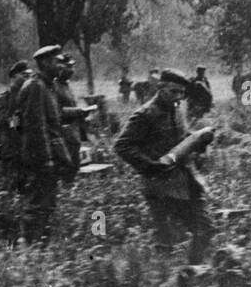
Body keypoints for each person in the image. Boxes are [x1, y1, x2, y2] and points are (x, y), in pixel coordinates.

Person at [114, 69, 215, 265]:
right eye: (173, 92)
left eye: (181, 93)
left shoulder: (176, 108)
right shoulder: (144, 114)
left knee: (205, 229)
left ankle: (193, 272)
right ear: (160, 88)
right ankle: (161, 281)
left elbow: (181, 137)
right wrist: (149, 167)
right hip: (160, 186)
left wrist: (198, 140)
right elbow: (122, 145)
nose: (178, 97)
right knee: (166, 238)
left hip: (185, 179)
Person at [15, 45, 75, 244]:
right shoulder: (36, 87)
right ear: (45, 63)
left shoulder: (48, 86)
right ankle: (31, 248)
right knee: (37, 205)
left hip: (50, 156)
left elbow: (54, 120)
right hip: (40, 158)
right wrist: (46, 159)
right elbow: (36, 128)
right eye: (57, 61)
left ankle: (40, 247)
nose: (61, 65)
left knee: (47, 204)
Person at [0, 60, 32, 181]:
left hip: (28, 145)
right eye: (24, 75)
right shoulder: (5, 98)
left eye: (29, 75)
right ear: (13, 76)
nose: (27, 77)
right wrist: (20, 122)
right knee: (13, 180)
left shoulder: (30, 95)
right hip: (12, 145)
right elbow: (3, 120)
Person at [55, 54, 91, 183]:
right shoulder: (54, 86)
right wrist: (78, 111)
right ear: (60, 67)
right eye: (68, 66)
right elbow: (56, 111)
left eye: (72, 66)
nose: (71, 70)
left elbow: (70, 105)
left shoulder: (66, 85)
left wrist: (83, 113)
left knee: (74, 165)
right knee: (65, 166)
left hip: (72, 133)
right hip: (62, 133)